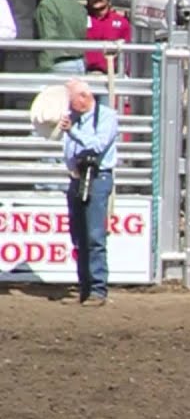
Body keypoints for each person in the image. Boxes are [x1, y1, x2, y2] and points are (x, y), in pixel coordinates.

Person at [59, 79, 119, 307]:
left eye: (71, 99)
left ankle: (97, 289)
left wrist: (72, 132)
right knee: (79, 236)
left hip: (97, 177)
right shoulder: (73, 118)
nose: (69, 105)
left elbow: (97, 145)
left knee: (94, 235)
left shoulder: (106, 116)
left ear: (83, 97)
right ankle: (85, 287)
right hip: (76, 177)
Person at [34, 0, 87, 74]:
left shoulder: (47, 5)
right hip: (80, 62)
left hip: (58, 63)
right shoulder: (78, 5)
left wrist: (43, 70)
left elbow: (48, 40)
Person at [84, 0, 131, 76]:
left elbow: (128, 54)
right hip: (86, 74)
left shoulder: (122, 23)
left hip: (112, 75)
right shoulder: (81, 18)